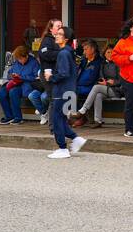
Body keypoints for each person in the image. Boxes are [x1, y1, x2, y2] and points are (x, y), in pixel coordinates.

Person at [47, 28, 85, 159]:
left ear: (66, 39)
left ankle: (62, 148)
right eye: (56, 33)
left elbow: (63, 73)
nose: (56, 36)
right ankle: (76, 138)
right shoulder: (69, 52)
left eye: (60, 34)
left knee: (57, 119)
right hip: (70, 91)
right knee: (62, 119)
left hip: (62, 91)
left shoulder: (63, 53)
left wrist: (51, 77)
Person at [31, 20, 64, 125]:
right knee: (53, 98)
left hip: (59, 74)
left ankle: (59, 121)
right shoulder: (47, 40)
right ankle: (53, 124)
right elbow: (46, 54)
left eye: (61, 26)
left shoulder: (62, 40)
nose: (60, 28)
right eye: (58, 26)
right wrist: (61, 53)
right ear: (51, 29)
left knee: (58, 97)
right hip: (47, 73)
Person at [0, 45, 39, 124]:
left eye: (20, 59)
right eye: (18, 59)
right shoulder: (16, 63)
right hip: (14, 83)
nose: (19, 61)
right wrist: (12, 76)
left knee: (13, 92)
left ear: (26, 56)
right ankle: (9, 116)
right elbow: (9, 73)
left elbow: (36, 77)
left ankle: (18, 117)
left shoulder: (34, 63)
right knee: (1, 92)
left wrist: (21, 77)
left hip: (25, 85)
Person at [71, 40, 105, 127]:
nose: (84, 52)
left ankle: (79, 117)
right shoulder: (83, 61)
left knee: (75, 91)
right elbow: (77, 74)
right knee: (68, 90)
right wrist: (77, 66)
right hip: (80, 85)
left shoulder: (99, 62)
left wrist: (79, 84)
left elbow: (94, 78)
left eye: (86, 49)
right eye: (83, 49)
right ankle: (73, 116)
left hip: (91, 86)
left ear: (93, 49)